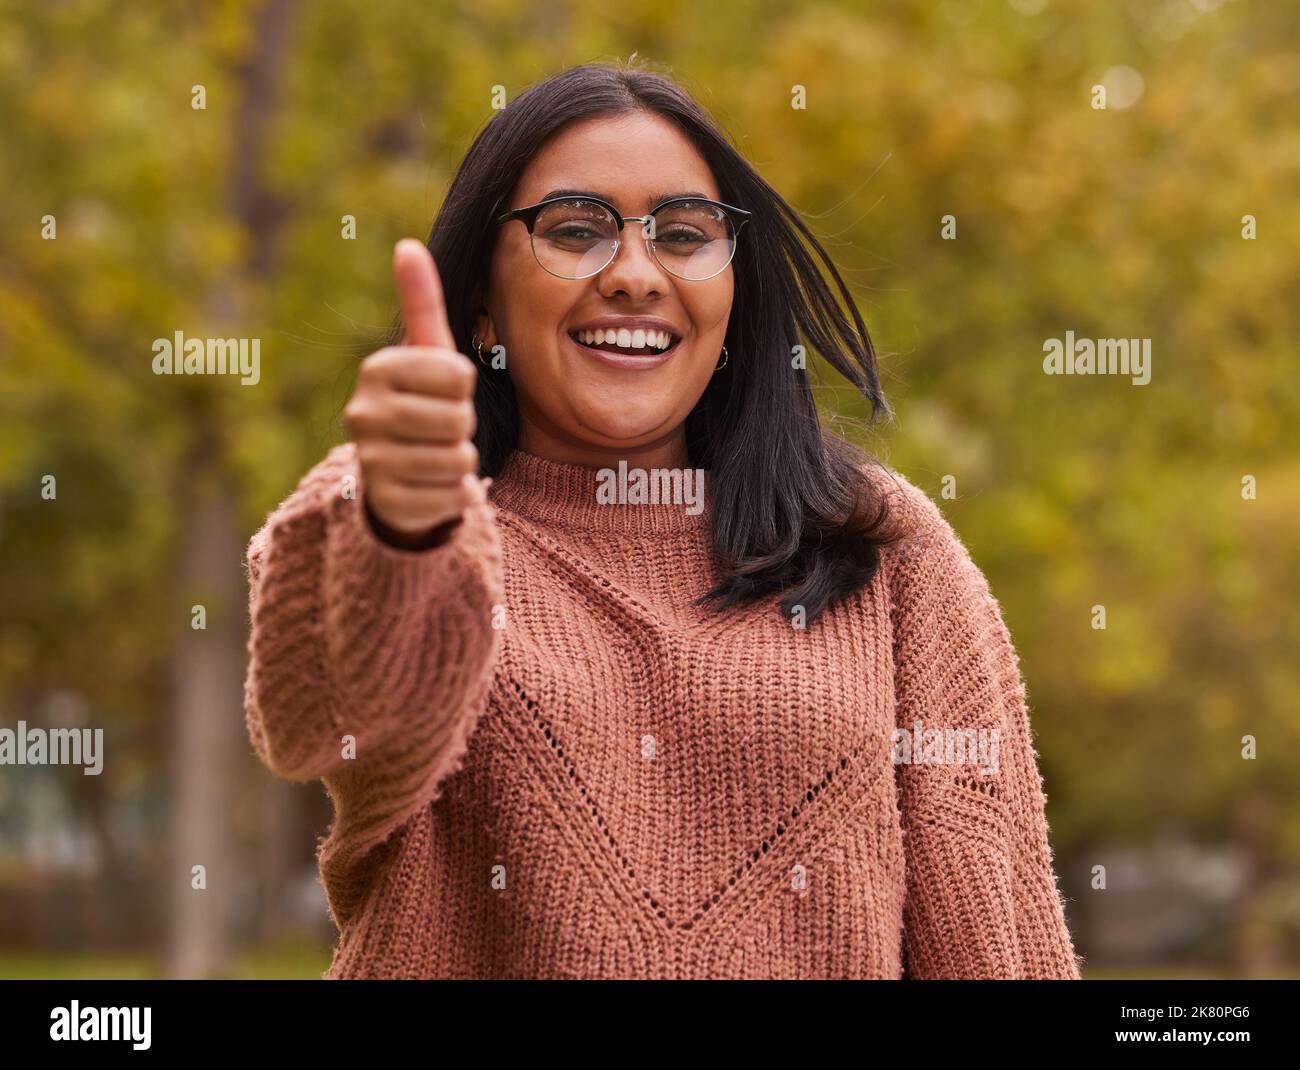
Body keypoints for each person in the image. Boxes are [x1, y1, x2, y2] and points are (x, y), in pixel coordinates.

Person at [242, 60, 1082, 979]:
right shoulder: (430, 540)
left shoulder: (878, 546)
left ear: (731, 294)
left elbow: (995, 930)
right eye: (574, 230)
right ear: (481, 304)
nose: (637, 275)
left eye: (683, 235)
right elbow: (316, 716)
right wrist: (396, 521)